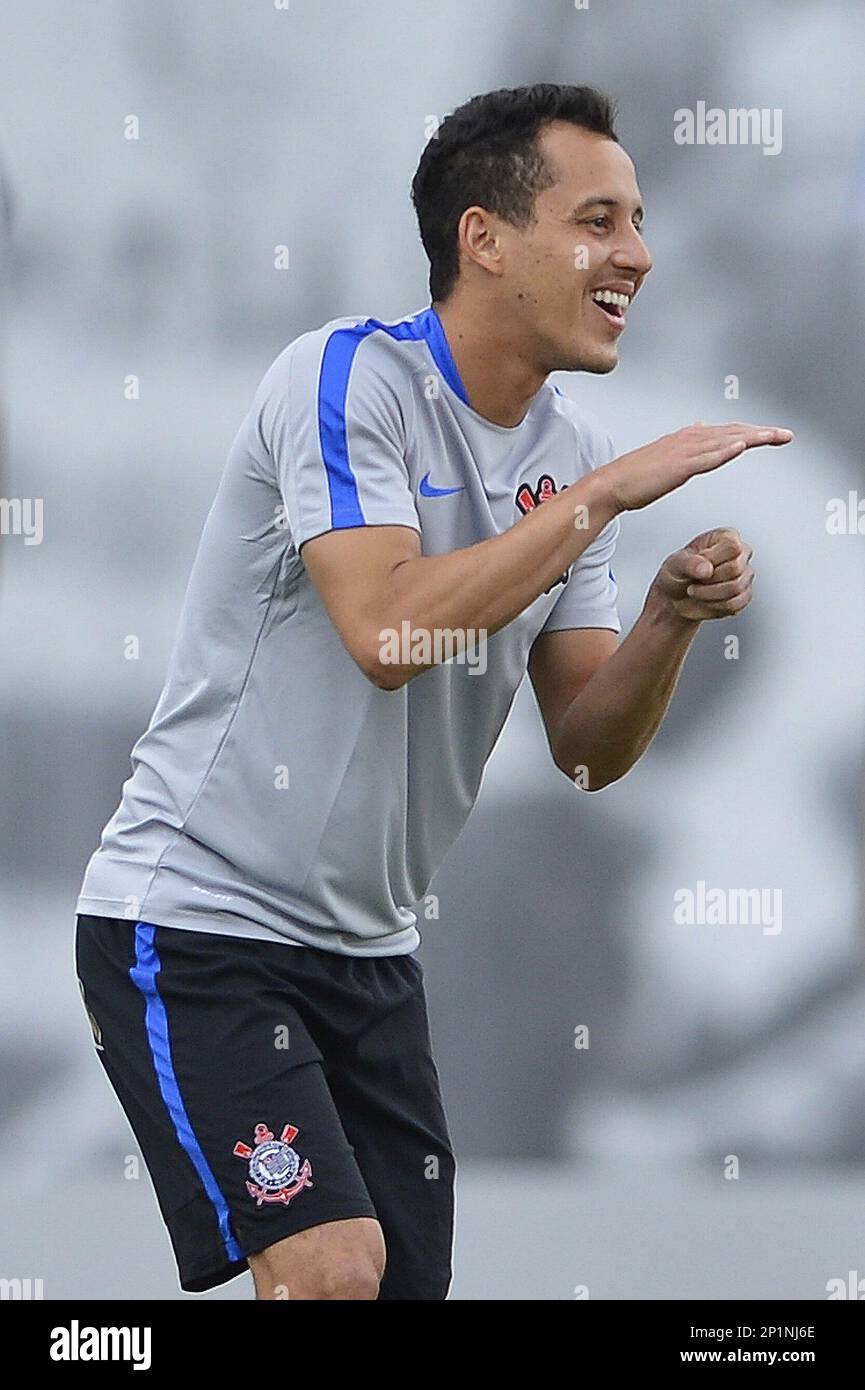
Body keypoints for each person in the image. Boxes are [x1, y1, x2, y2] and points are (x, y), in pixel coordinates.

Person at [74, 83, 792, 1300]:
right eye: (600, 218)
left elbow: (586, 749)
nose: (638, 253)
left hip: (372, 956)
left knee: (395, 1295)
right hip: (198, 925)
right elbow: (389, 629)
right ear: (484, 237)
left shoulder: (564, 460)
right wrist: (603, 500)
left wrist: (666, 616)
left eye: (637, 221)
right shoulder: (342, 376)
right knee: (334, 1271)